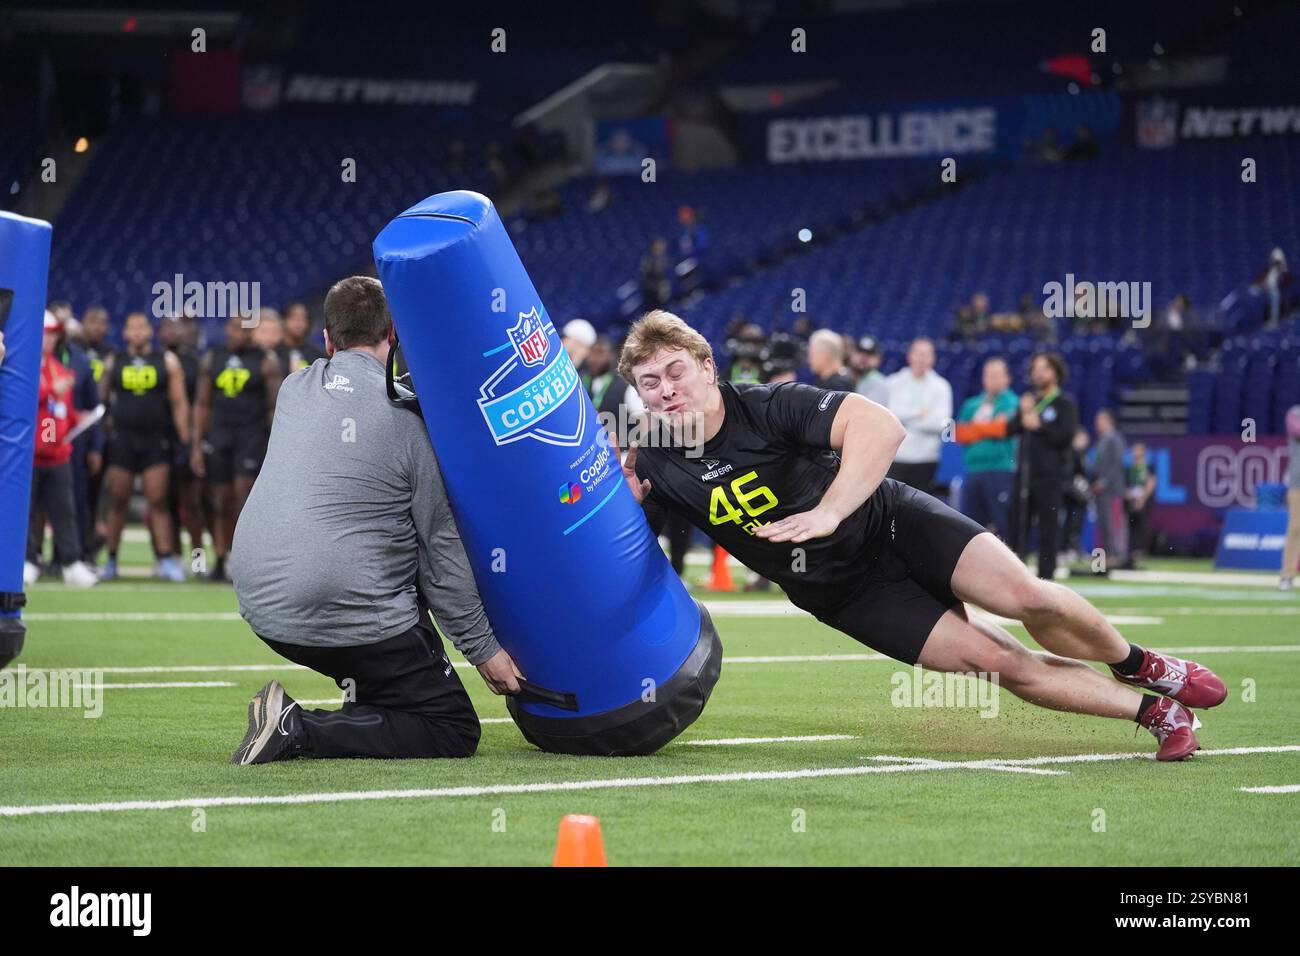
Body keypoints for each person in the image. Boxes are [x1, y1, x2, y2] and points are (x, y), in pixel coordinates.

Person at [616, 310, 1225, 761]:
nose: (666, 390)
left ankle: (1141, 664)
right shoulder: (653, 461)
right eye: (649, 383)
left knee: (1027, 597)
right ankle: (1157, 713)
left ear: (707, 367)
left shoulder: (767, 406)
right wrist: (628, 505)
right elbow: (618, 541)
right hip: (845, 592)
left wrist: (830, 510)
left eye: (675, 372)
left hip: (894, 522)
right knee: (997, 660)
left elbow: (880, 427)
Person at [229, 276, 520, 764]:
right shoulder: (409, 424)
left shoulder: (294, 387)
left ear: (325, 338)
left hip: (261, 606)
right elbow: (440, 554)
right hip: (338, 607)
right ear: (395, 335)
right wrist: (483, 647)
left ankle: (364, 698)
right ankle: (295, 726)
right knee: (449, 728)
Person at [98, 312, 191, 582]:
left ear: (150, 331)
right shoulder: (114, 361)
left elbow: (179, 402)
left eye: (142, 327)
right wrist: (102, 436)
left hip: (154, 440)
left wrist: (184, 440)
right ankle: (111, 560)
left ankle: (165, 560)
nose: (138, 332)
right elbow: (101, 402)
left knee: (158, 501)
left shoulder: (167, 361)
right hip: (123, 439)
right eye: (132, 327)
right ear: (125, 332)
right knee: (117, 500)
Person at [191, 314, 281, 582]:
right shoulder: (212, 358)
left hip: (251, 437)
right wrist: (197, 444)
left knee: (244, 501)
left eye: (245, 328)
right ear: (227, 329)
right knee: (219, 501)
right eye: (235, 327)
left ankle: (243, 559)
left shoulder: (265, 359)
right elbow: (202, 403)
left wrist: (275, 443)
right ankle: (220, 557)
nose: (240, 333)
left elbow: (273, 406)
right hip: (219, 436)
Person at [24, 312, 99, 588]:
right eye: (46, 333)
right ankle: (29, 559)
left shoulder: (59, 369)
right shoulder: (24, 368)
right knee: (28, 512)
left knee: (64, 511)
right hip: (29, 454)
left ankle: (71, 562)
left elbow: (60, 414)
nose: (50, 339)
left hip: (58, 453)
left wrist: (79, 419)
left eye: (54, 333)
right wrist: (49, 391)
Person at [1007, 353, 1078, 580]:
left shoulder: (1064, 404)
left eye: (1044, 368)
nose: (1038, 373)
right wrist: (1024, 412)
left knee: (1048, 529)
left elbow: (1065, 437)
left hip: (1050, 477)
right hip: (1025, 476)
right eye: (1035, 368)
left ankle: (1047, 578)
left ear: (1056, 373)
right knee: (1018, 527)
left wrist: (1039, 426)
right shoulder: (1030, 403)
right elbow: (1011, 429)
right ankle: (1016, 576)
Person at [954, 357, 1018, 538]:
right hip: (973, 470)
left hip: (1000, 470)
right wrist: (989, 427)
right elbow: (957, 433)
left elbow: (1003, 428)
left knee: (1003, 523)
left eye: (997, 375)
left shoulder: (1013, 403)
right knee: (971, 528)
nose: (992, 379)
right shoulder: (972, 403)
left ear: (1007, 378)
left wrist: (974, 428)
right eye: (989, 375)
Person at [885, 337, 951, 494]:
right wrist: (920, 414)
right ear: (909, 356)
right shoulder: (892, 383)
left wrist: (903, 421)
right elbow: (887, 417)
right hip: (896, 458)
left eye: (925, 354)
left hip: (926, 461)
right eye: (917, 353)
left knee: (920, 514)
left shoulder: (941, 386)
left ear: (932, 359)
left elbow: (941, 424)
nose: (921, 359)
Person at [1090, 409, 1127, 571]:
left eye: (1101, 420)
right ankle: (1106, 556)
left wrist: (1104, 482)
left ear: (1110, 421)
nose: (1098, 423)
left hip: (1110, 490)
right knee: (1104, 524)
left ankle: (1114, 556)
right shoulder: (1102, 440)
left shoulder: (1115, 439)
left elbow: (1116, 464)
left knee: (1111, 523)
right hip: (1101, 489)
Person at [1124, 442, 1158, 570]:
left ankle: (1140, 552)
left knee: (1141, 526)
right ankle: (1131, 553)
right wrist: (1129, 495)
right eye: (1134, 450)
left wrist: (1142, 498)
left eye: (1138, 451)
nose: (1136, 453)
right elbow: (1125, 485)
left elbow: (1151, 482)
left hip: (1143, 501)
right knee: (1131, 526)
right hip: (1130, 501)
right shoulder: (1129, 468)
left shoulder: (1148, 467)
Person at [277, 302, 325, 377]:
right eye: (294, 318)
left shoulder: (318, 355)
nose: (299, 323)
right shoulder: (273, 353)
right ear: (283, 321)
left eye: (303, 318)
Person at [1281, 405, 1300, 591]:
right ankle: (1287, 575)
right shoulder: (1294, 413)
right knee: (1295, 528)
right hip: (1298, 482)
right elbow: (1297, 431)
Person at [852, 335, 889, 406]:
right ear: (852, 353)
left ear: (878, 359)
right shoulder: (842, 375)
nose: (863, 358)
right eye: (860, 352)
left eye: (869, 354)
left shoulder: (881, 384)